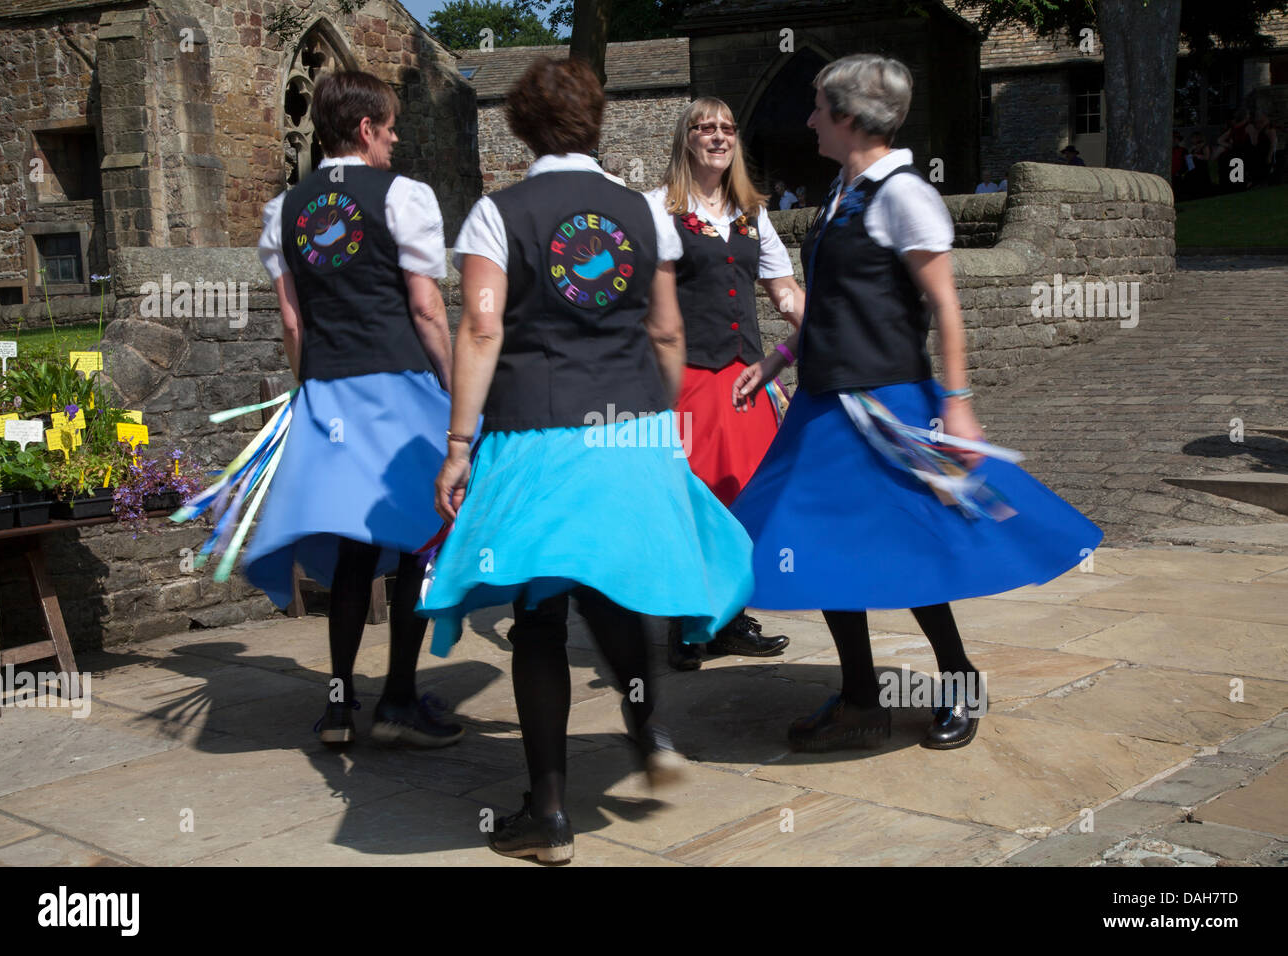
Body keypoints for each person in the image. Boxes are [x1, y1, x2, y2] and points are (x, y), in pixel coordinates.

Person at [419, 57, 754, 863]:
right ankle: (651, 733)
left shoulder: (499, 214)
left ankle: (550, 816)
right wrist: (658, 418)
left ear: (520, 127)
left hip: (539, 431)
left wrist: (460, 444)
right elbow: (668, 333)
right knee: (608, 584)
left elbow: (481, 329)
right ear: (598, 120)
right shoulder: (647, 214)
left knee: (538, 613)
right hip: (633, 430)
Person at [730, 54, 1102, 753]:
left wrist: (957, 403)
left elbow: (945, 304)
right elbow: (833, 306)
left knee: (910, 545)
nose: (807, 117)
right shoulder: (843, 188)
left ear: (846, 116)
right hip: (823, 406)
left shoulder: (903, 195)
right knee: (824, 548)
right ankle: (860, 698)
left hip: (890, 407)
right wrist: (777, 358)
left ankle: (959, 680)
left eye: (816, 106)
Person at [247, 70, 463, 749]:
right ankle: (398, 699)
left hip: (327, 394)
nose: (396, 138)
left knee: (351, 551)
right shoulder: (403, 197)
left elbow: (291, 321)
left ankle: (338, 707)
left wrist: (308, 394)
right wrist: (455, 392)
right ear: (366, 129)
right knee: (415, 540)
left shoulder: (283, 211)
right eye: (391, 126)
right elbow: (427, 308)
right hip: (398, 389)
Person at [647, 97, 804, 668]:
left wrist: (823, 331)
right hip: (688, 380)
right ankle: (687, 626)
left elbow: (783, 291)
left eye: (726, 128)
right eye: (704, 127)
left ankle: (732, 619)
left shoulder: (751, 214)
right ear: (684, 138)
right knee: (692, 504)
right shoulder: (656, 210)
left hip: (746, 379)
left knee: (743, 499)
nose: (717, 136)